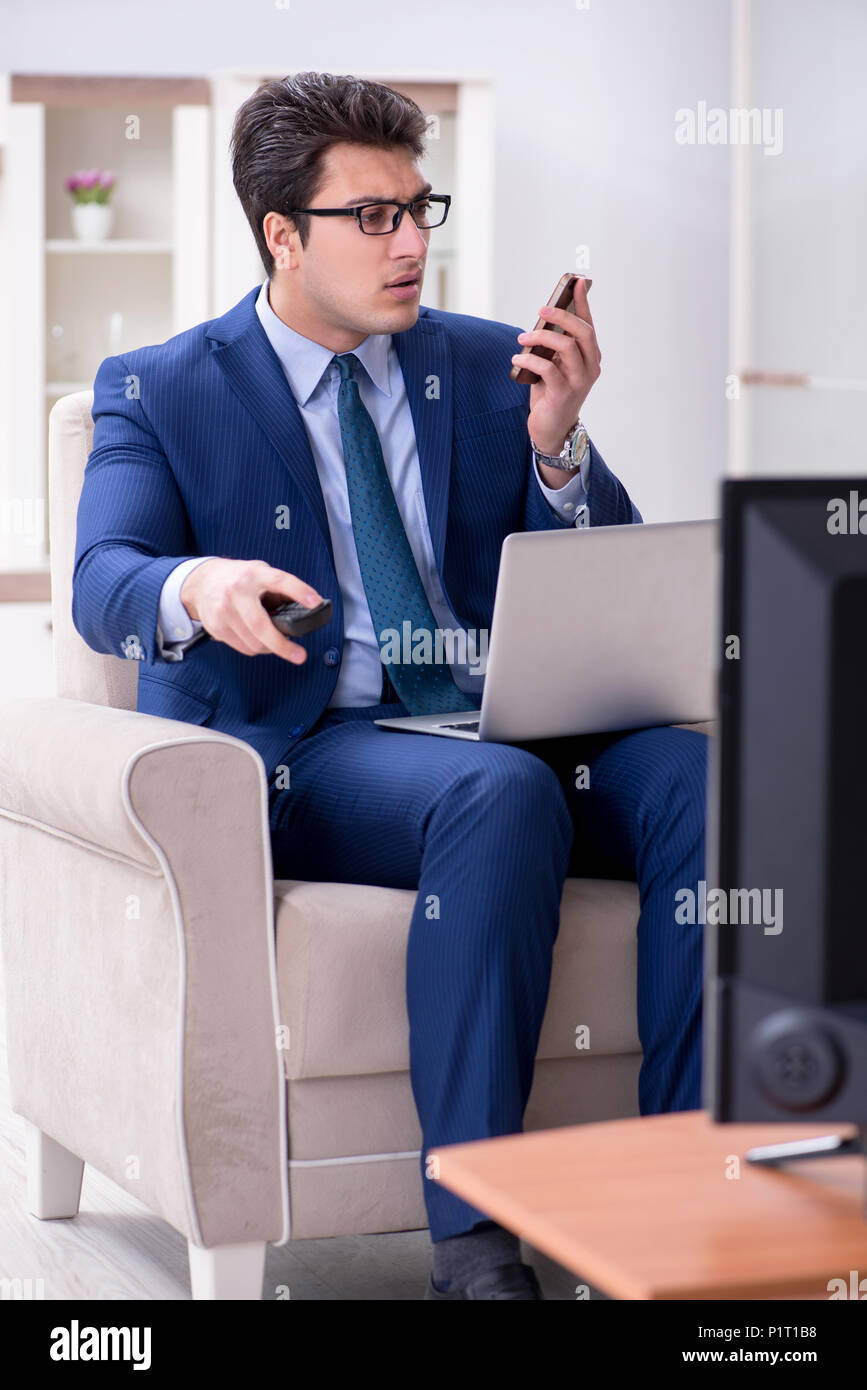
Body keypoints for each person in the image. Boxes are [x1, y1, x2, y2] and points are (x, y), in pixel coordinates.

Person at [73, 70, 708, 1301]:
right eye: (373, 215)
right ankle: (474, 1241)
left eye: (423, 207)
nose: (412, 242)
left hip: (491, 715)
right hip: (316, 742)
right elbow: (106, 572)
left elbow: (613, 568)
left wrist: (560, 444)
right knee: (500, 797)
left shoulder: (480, 366)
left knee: (700, 774)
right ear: (280, 234)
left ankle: (679, 1188)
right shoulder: (163, 384)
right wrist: (199, 587)